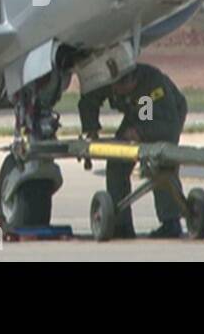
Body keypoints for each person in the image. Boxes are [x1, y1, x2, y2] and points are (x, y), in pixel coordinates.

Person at [78, 63, 188, 238]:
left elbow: (164, 124)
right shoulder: (109, 79)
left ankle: (171, 222)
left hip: (165, 114)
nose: (115, 92)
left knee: (160, 163)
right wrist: (91, 129)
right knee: (117, 162)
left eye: (121, 89)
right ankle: (121, 225)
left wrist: (140, 132)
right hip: (137, 112)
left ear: (132, 82)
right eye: (114, 88)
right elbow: (89, 99)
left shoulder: (150, 87)